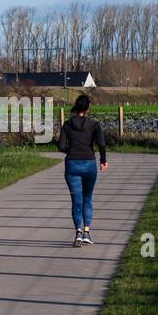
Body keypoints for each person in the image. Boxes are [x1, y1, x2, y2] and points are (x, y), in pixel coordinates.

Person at [56, 93, 107, 247]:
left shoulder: (67, 124)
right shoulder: (94, 125)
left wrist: (71, 152)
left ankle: (77, 232)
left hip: (72, 165)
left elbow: (60, 146)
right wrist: (103, 160)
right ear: (88, 109)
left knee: (76, 200)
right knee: (87, 198)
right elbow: (102, 144)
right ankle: (87, 233)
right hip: (89, 164)